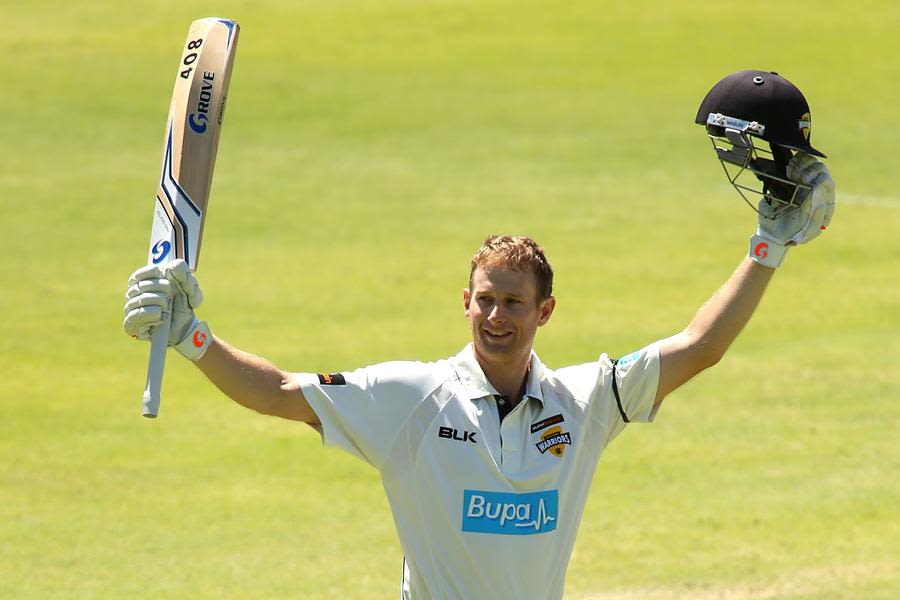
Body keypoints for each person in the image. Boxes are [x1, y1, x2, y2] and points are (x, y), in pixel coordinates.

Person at [123, 70, 835, 599]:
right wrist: (192, 339)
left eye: (514, 305)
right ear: (465, 302)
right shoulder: (410, 398)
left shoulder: (585, 402)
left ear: (544, 313)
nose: (497, 318)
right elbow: (279, 392)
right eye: (486, 301)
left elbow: (699, 347)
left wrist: (765, 249)